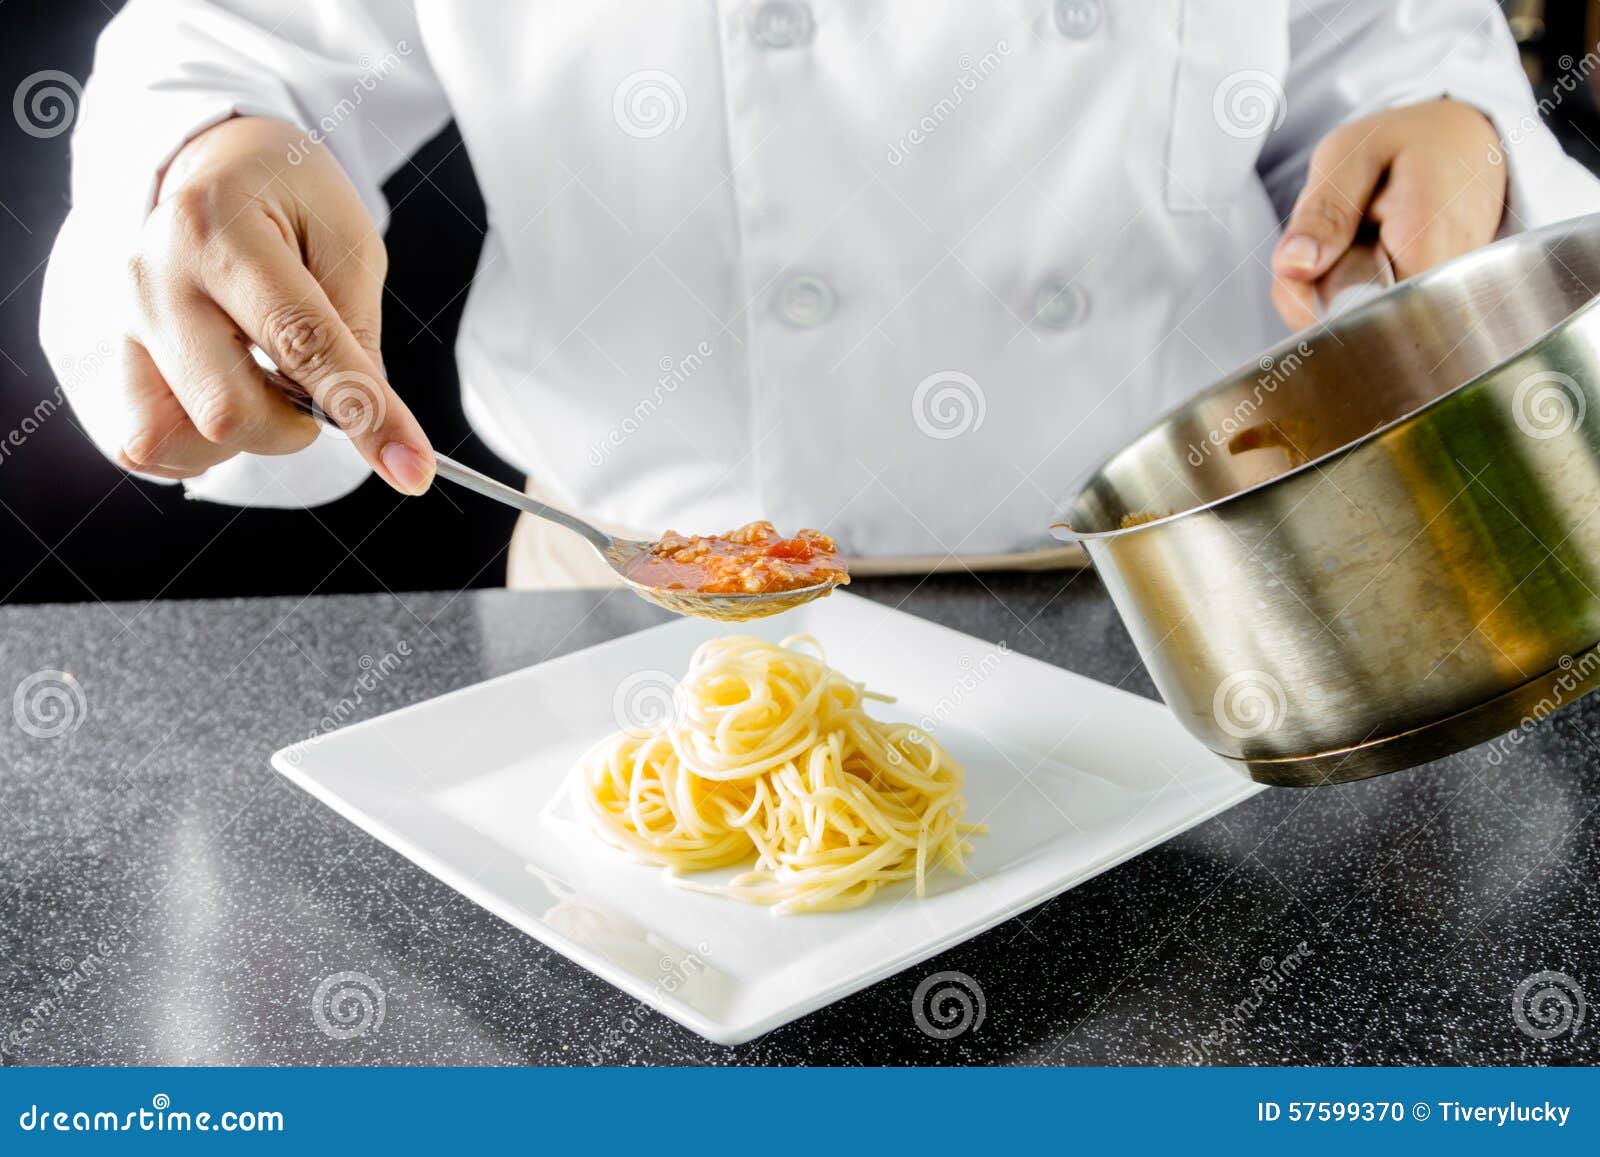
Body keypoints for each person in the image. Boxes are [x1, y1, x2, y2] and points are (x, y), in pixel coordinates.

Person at [39, 0, 1600, 587]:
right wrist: (206, 165)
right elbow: (232, 47)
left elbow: (1390, 58)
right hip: (640, 615)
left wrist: (1453, 142)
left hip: (1203, 605)